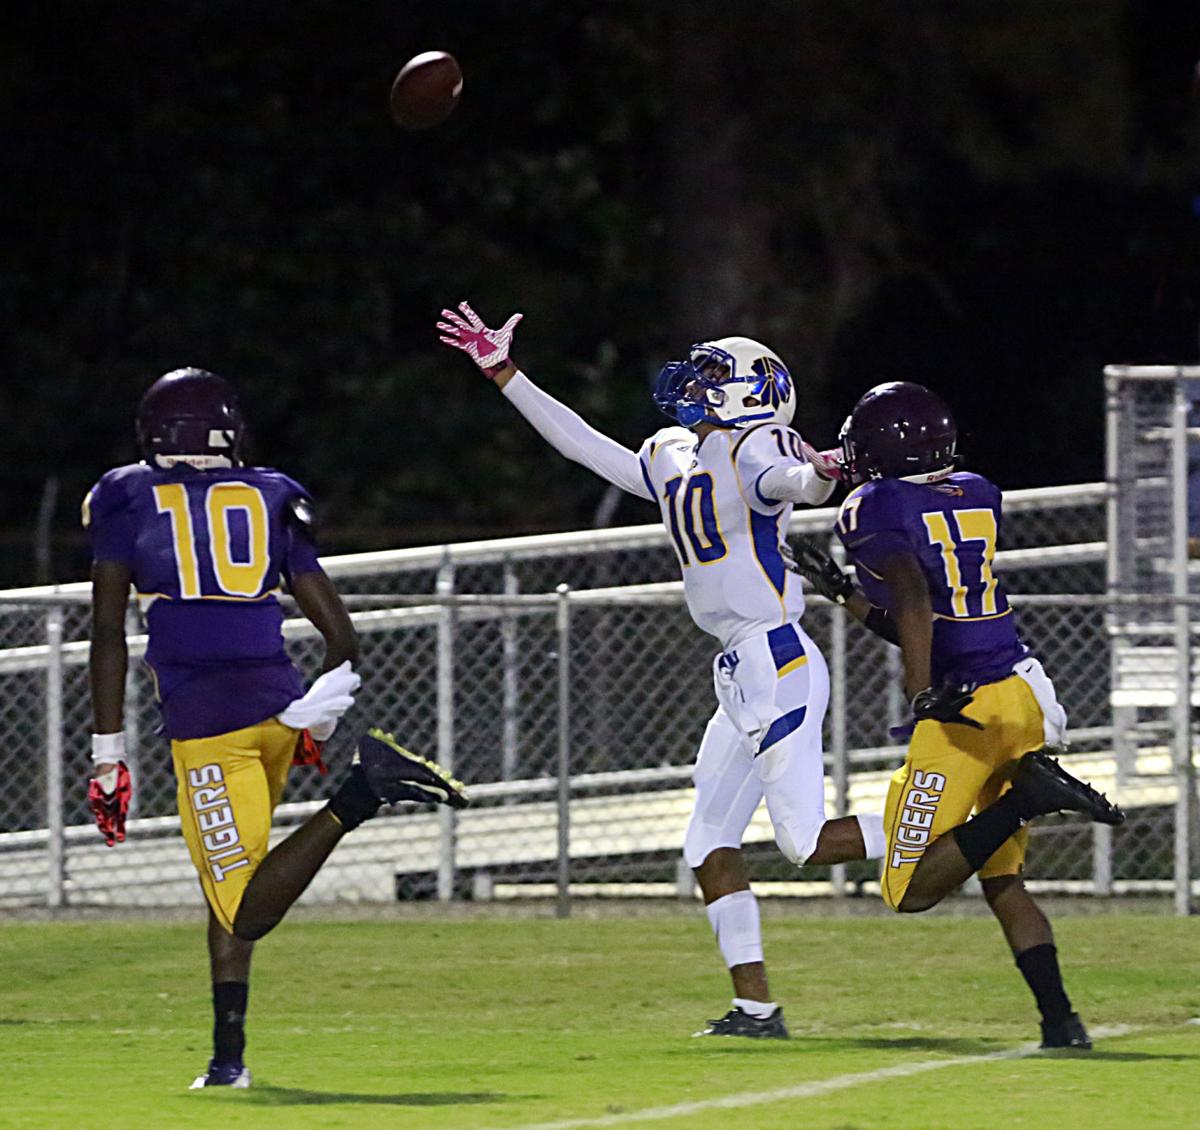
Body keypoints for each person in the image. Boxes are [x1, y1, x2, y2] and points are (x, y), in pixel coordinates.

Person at [438, 301, 887, 1039]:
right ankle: (755, 1008)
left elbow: (789, 483)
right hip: (740, 669)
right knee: (708, 843)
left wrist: (824, 473)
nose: (694, 380)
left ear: (753, 393)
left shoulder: (758, 448)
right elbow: (583, 444)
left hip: (776, 655)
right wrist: (504, 373)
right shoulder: (675, 450)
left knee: (803, 842)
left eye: (714, 374)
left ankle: (959, 822)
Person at [84, 368, 467, 1089]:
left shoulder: (123, 494)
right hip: (280, 709)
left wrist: (108, 754)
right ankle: (227, 1060)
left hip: (209, 724)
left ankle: (361, 793)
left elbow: (107, 631)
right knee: (232, 882)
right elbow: (341, 635)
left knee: (242, 905)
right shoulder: (274, 492)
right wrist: (321, 703)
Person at [793, 380, 1124, 1049]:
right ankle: (1062, 1023)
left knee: (909, 889)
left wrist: (919, 694)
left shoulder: (873, 505)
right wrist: (846, 598)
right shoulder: (977, 491)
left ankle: (1025, 800)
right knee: (1002, 881)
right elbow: (930, 618)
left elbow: (915, 601)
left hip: (962, 712)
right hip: (1018, 697)